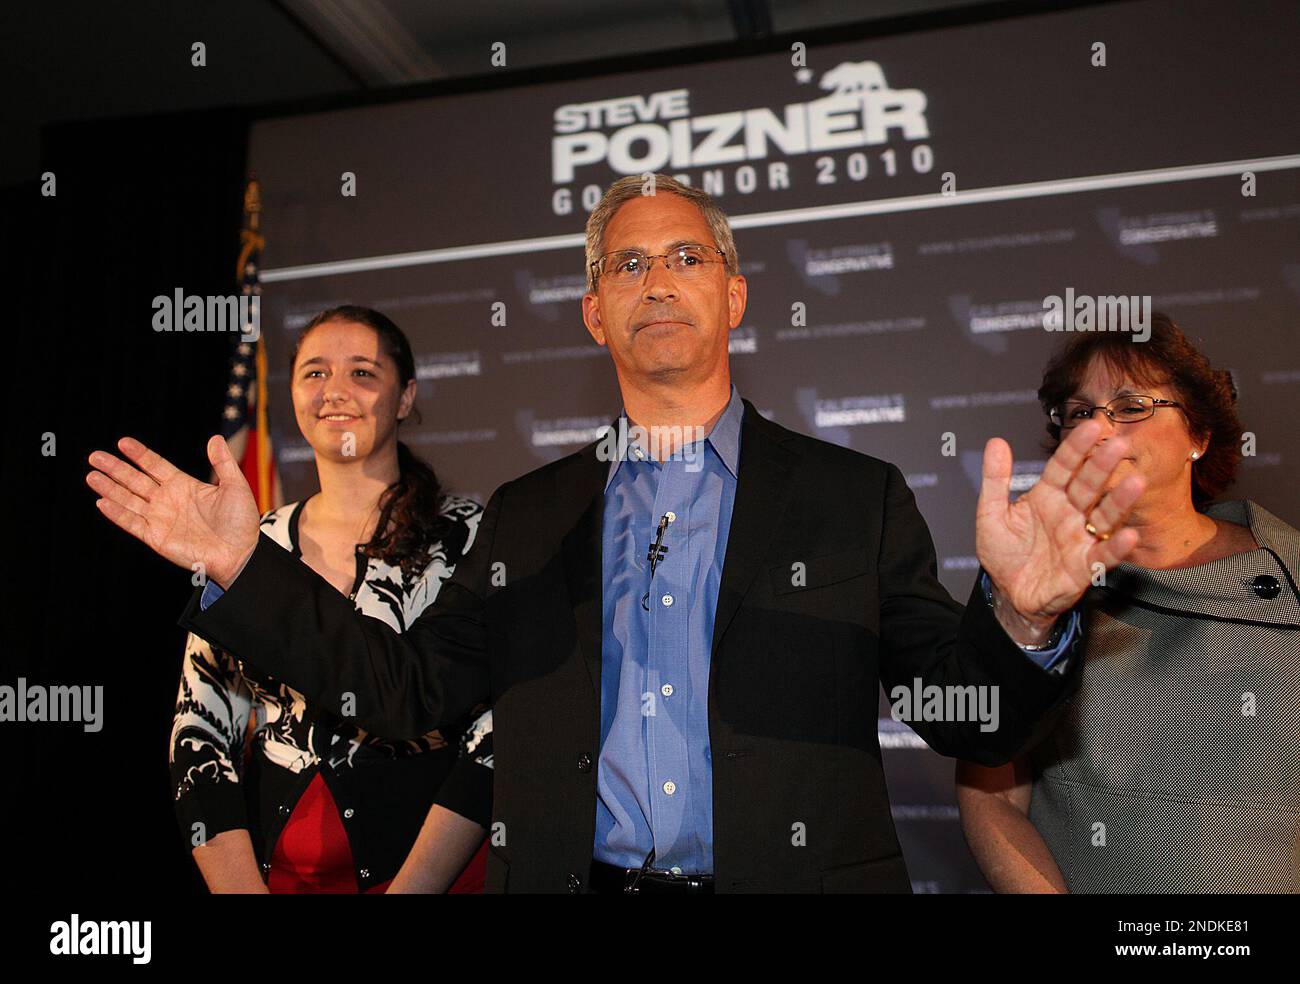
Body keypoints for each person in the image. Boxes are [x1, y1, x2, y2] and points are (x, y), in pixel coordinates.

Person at [88, 174, 1144, 893]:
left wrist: (1023, 615)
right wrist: (239, 560)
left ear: (732, 294)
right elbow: (400, 693)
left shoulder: (851, 498)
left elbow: (964, 720)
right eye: (626, 267)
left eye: (683, 256)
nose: (655, 282)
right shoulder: (529, 515)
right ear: (594, 311)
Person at [956, 312, 1300, 893]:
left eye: (1131, 406)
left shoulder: (1288, 571)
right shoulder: (1032, 583)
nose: (1101, 429)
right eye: (1081, 413)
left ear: (1199, 434)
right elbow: (990, 792)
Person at [167, 305, 492, 893]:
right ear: (290, 394)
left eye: (362, 373)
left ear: (404, 396)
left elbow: (493, 733)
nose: (335, 391)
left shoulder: (469, 536)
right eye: (314, 372)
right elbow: (199, 729)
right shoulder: (248, 544)